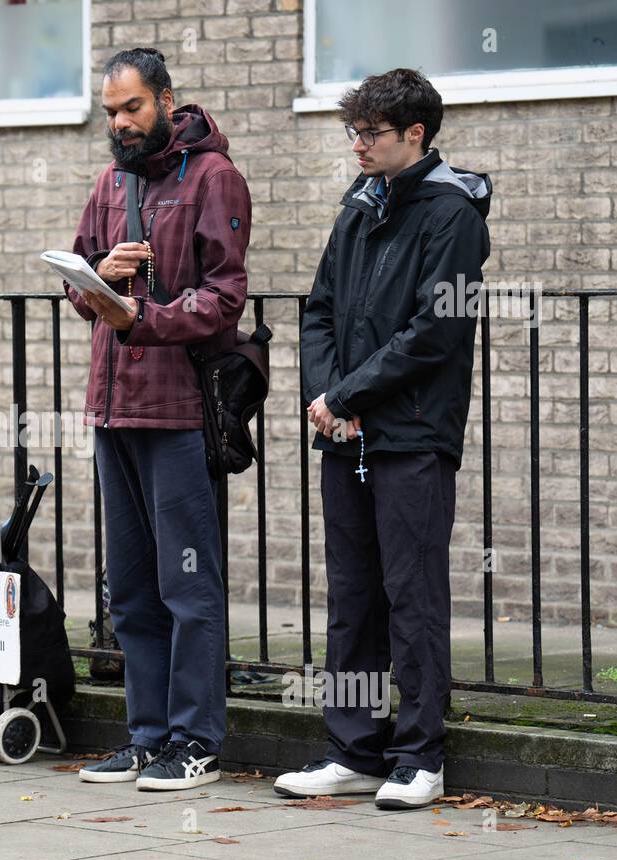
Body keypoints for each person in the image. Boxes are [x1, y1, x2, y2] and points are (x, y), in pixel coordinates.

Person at [276, 69, 491, 809]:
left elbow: (435, 332)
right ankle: (353, 748)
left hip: (413, 437)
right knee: (352, 597)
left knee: (413, 596)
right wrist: (325, 395)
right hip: (347, 433)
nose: (358, 146)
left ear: (416, 136)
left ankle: (420, 758)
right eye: (354, 132)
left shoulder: (453, 215)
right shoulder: (359, 206)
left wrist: (348, 392)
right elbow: (320, 308)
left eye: (371, 134)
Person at [65, 49, 251, 791]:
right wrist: (99, 279)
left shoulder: (214, 177)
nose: (119, 122)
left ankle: (196, 741)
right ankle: (146, 737)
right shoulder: (110, 182)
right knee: (132, 590)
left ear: (166, 101)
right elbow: (80, 279)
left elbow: (225, 299)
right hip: (114, 410)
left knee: (188, 587)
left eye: (132, 107)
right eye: (110, 111)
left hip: (177, 412)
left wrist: (147, 316)